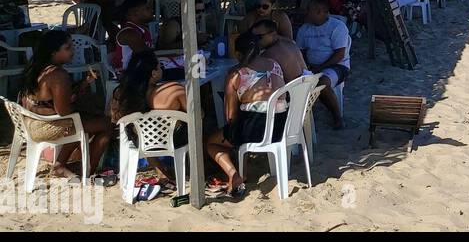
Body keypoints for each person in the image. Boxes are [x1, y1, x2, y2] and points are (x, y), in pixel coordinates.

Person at [18, 30, 113, 182]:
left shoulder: (38, 68)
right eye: (68, 48)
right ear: (54, 52)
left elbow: (52, 99)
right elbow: (65, 113)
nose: (73, 51)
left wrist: (84, 83)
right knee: (107, 124)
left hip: (31, 122)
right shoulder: (57, 75)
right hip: (47, 126)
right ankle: (86, 171)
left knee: (87, 121)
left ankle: (61, 164)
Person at [205, 32, 287, 199]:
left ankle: (233, 173)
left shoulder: (237, 76)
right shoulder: (275, 65)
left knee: (211, 142)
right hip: (280, 127)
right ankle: (243, 164)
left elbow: (230, 116)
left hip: (255, 131)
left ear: (238, 54)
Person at [110, 49, 187, 193]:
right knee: (197, 124)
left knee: (135, 130)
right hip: (171, 141)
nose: (161, 69)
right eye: (160, 66)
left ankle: (159, 169)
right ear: (153, 74)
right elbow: (195, 115)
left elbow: (115, 120)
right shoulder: (174, 91)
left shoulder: (121, 94)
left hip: (141, 141)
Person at [295, 0, 350, 128]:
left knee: (323, 83)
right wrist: (305, 66)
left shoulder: (337, 27)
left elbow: (339, 54)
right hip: (311, 66)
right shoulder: (304, 29)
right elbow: (300, 51)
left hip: (337, 66)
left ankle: (337, 117)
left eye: (310, 10)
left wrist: (320, 67)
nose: (306, 13)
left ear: (320, 12)